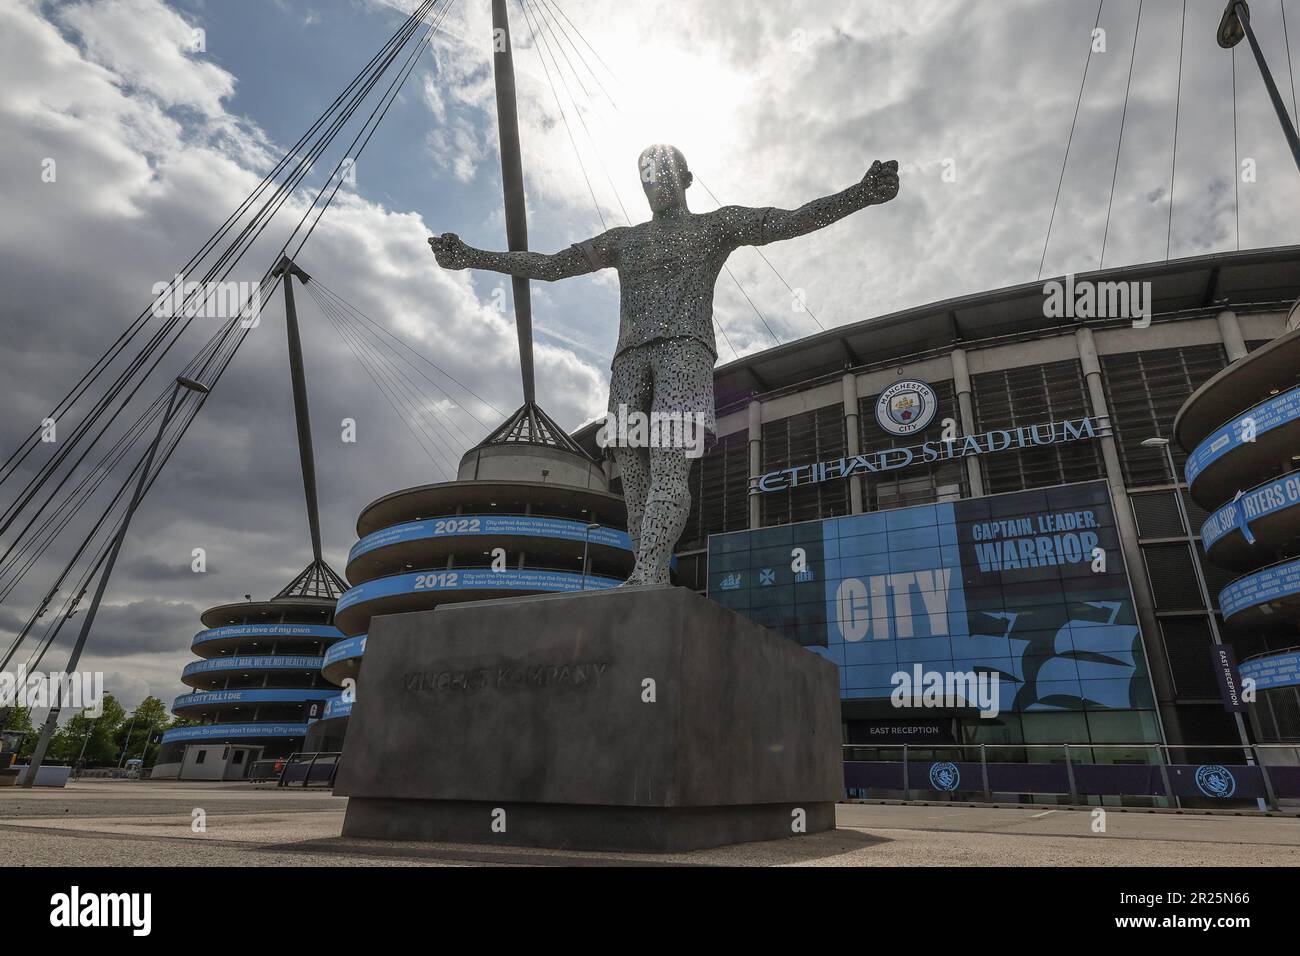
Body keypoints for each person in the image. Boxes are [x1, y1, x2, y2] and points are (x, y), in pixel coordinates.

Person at [430, 145, 900, 586]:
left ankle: (650, 573)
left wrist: (860, 195)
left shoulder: (715, 226)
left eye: (665, 173)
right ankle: (647, 571)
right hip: (629, 361)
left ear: (688, 178)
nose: (657, 183)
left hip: (685, 352)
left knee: (670, 464)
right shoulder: (624, 240)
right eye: (647, 177)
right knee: (633, 475)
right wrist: (473, 257)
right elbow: (553, 264)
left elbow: (786, 221)